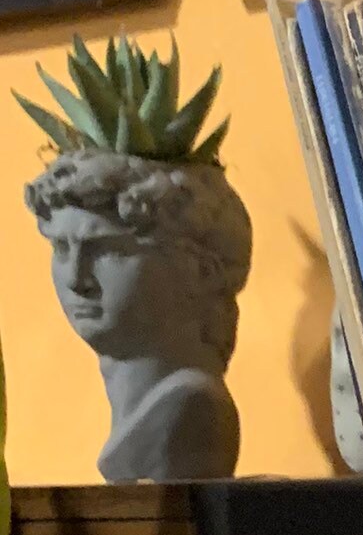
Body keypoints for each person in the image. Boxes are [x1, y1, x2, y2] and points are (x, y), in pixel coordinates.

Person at [25, 153, 252, 480]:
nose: (76, 278)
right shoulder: (152, 410)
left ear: (197, 270)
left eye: (108, 250)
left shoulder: (190, 411)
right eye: (61, 248)